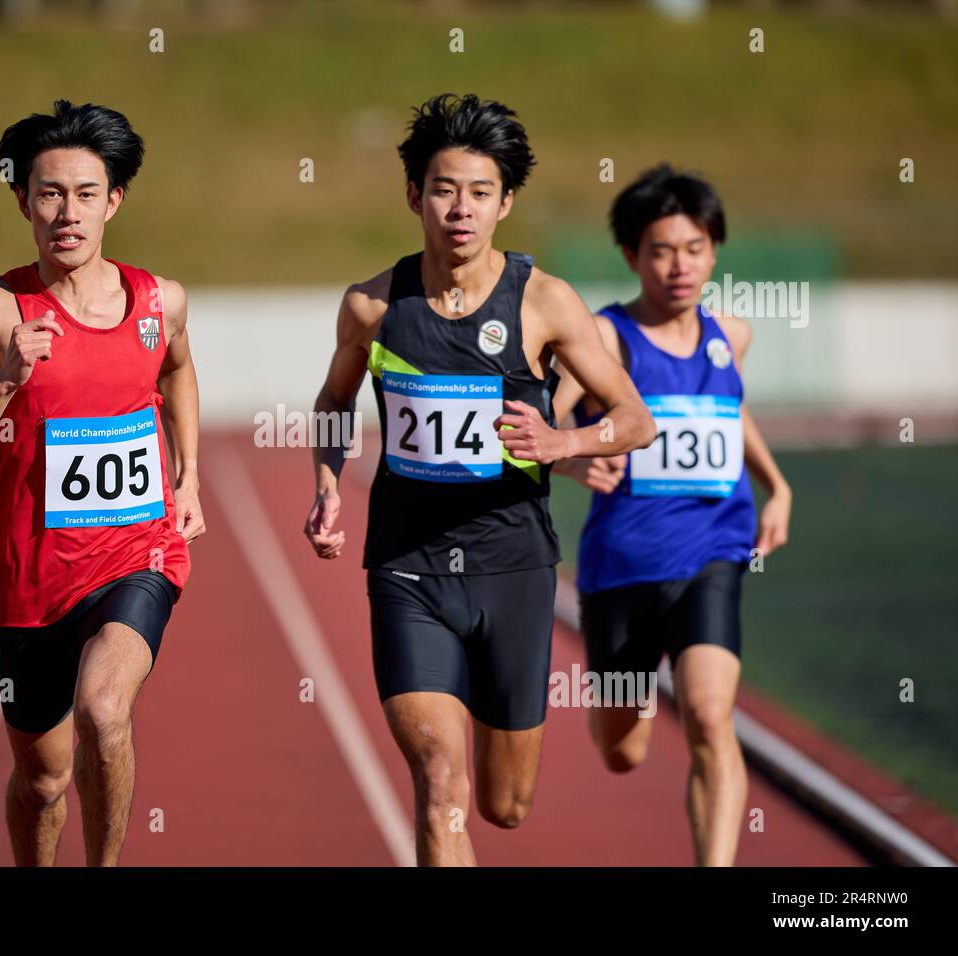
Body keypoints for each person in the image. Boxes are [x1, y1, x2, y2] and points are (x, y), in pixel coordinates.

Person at [304, 93, 653, 866]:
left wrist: (562, 440)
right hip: (407, 569)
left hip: (514, 568)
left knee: (505, 805)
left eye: (480, 192)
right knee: (439, 780)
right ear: (413, 195)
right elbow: (333, 401)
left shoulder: (544, 302)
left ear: (505, 203)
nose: (460, 210)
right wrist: (328, 484)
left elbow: (636, 419)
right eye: (443, 189)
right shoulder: (371, 306)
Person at [0, 99, 204, 866]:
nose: (67, 213)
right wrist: (4, 382)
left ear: (114, 200)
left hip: (136, 556)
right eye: (49, 194)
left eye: (86, 194)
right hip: (27, 579)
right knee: (43, 781)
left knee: (103, 710)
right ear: (22, 200)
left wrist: (189, 481)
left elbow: (177, 370)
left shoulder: (160, 301)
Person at [551, 163, 792, 866]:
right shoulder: (605, 338)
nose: (680, 266)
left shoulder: (732, 336)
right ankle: (623, 705)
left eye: (694, 249)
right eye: (661, 250)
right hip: (622, 569)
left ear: (714, 251)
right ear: (632, 255)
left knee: (712, 720)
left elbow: (729, 409)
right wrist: (570, 461)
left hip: (714, 551)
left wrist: (777, 483)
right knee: (622, 751)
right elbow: (540, 427)